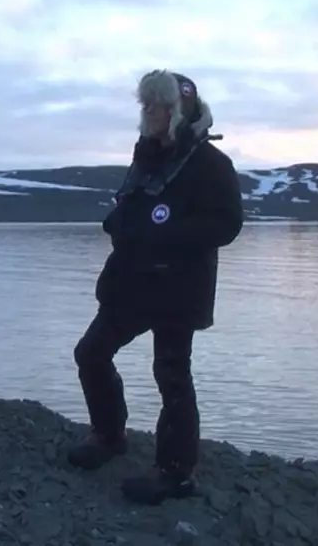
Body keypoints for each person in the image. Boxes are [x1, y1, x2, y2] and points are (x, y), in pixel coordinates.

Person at [67, 70, 244, 505]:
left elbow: (228, 223)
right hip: (130, 280)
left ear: (177, 110)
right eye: (144, 105)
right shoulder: (146, 154)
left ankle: (176, 473)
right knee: (91, 353)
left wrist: (168, 234)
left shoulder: (210, 163)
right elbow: (133, 205)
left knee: (172, 376)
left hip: (178, 288)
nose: (147, 113)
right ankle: (109, 434)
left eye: (155, 105)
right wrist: (122, 223)